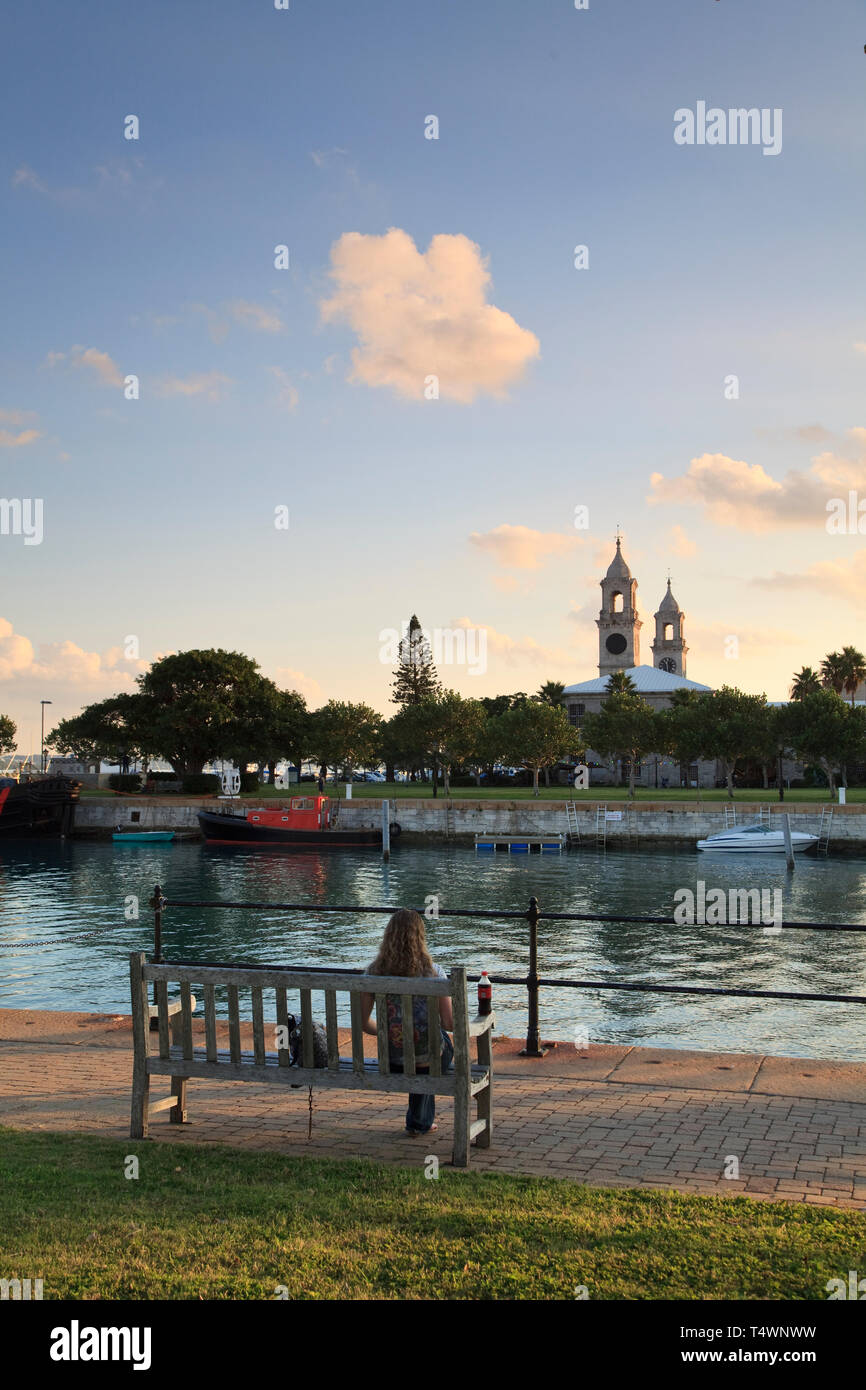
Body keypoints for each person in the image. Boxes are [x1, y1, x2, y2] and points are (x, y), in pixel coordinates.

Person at [361, 908, 454, 1136]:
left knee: (426, 1046)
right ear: (421, 938)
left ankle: (419, 1121)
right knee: (437, 1044)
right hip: (426, 1060)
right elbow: (450, 1023)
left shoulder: (373, 973)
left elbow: (363, 1023)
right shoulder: (434, 973)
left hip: (390, 1061)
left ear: (388, 936)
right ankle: (419, 1121)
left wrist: (388, 1033)